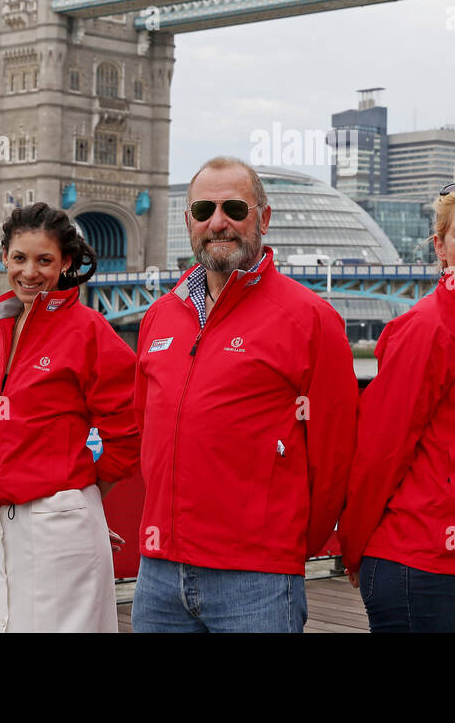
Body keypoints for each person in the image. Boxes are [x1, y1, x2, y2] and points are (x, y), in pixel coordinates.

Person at [132, 156, 358, 633]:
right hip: (158, 573)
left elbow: (334, 455)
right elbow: (144, 427)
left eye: (235, 207)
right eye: (203, 210)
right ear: (188, 221)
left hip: (256, 579)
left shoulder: (310, 320)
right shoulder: (158, 318)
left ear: (264, 218)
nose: (219, 223)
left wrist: (284, 547)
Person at [338, 182, 455, 632]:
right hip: (420, 560)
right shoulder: (427, 328)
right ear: (440, 249)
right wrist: (354, 545)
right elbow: (380, 449)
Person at [0, 202, 140, 633]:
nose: (30, 272)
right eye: (20, 258)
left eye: (44, 260)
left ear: (65, 262)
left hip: (56, 521)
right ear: (5, 257)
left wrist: (84, 496)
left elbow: (131, 427)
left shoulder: (88, 330)